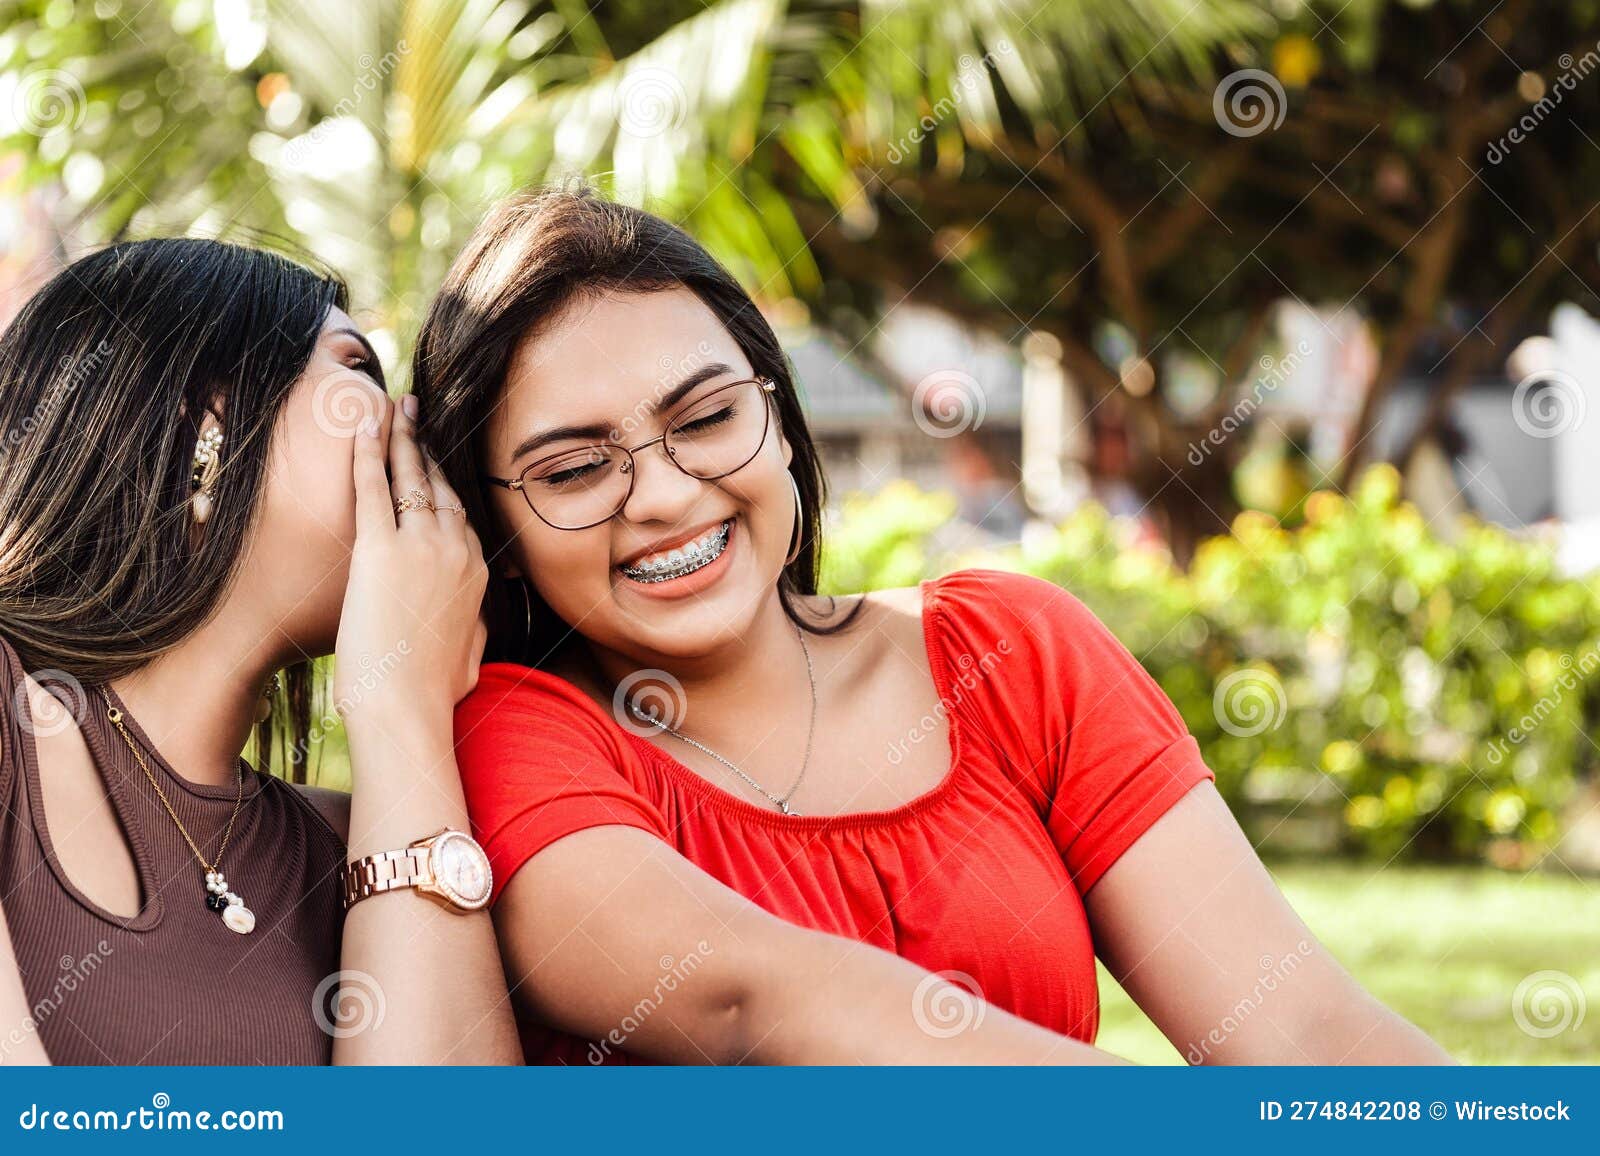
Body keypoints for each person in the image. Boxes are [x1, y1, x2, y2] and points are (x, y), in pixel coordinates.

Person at [415, 184, 1452, 1065]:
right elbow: (743, 995)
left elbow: (1302, 1028)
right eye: (575, 468)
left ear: (777, 419)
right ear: (492, 522)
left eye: (705, 417)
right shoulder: (513, 735)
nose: (666, 494)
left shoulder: (1009, 652)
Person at [0, 238, 520, 1065]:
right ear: (209, 425)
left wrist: (402, 712)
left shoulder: (356, 844)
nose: (414, 433)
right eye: (358, 371)